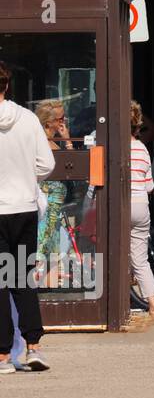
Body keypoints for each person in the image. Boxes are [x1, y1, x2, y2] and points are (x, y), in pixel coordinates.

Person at [0, 60, 54, 373]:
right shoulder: (28, 119)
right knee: (22, 277)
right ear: (7, 85)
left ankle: (4, 355)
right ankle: (33, 346)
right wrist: (25, 176)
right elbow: (46, 165)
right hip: (24, 207)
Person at [33, 101, 72, 279]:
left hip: (53, 218)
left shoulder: (53, 143)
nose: (64, 121)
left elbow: (71, 167)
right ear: (48, 123)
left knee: (53, 266)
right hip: (45, 218)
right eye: (61, 118)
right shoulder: (41, 144)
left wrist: (67, 142)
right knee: (43, 261)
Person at [128, 101, 154, 316]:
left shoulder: (115, 148)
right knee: (140, 259)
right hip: (141, 205)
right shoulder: (142, 148)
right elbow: (149, 186)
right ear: (137, 127)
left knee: (116, 255)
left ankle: (122, 302)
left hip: (122, 204)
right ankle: (153, 305)